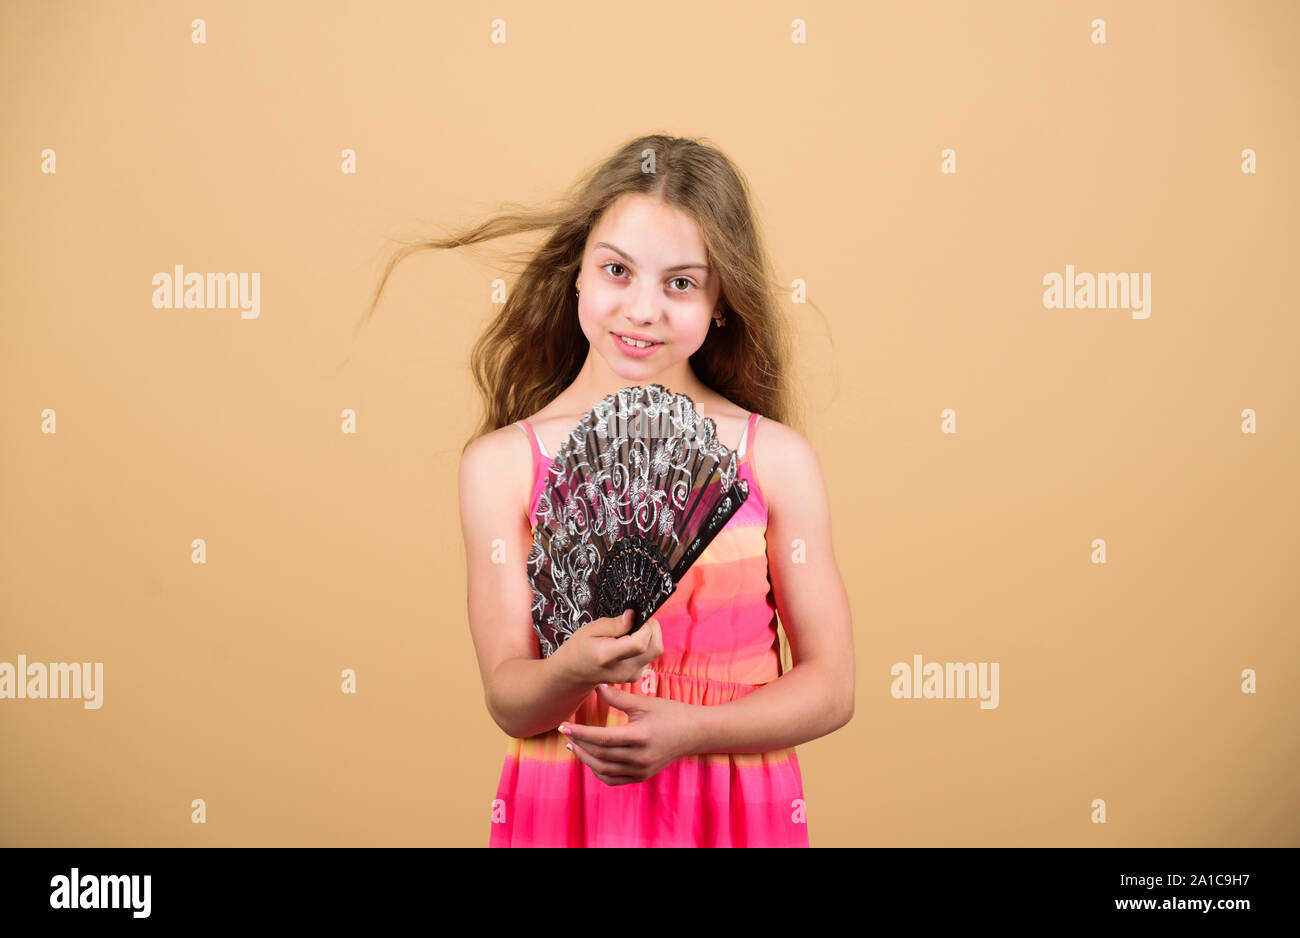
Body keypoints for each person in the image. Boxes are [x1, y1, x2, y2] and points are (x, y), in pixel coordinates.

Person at [362, 133, 854, 846]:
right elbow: (510, 700)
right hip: (569, 804)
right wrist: (569, 671)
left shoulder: (774, 458)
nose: (642, 309)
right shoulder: (503, 465)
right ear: (578, 275)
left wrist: (695, 731)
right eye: (617, 270)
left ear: (722, 301)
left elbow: (832, 686)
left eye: (681, 282)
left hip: (731, 807)